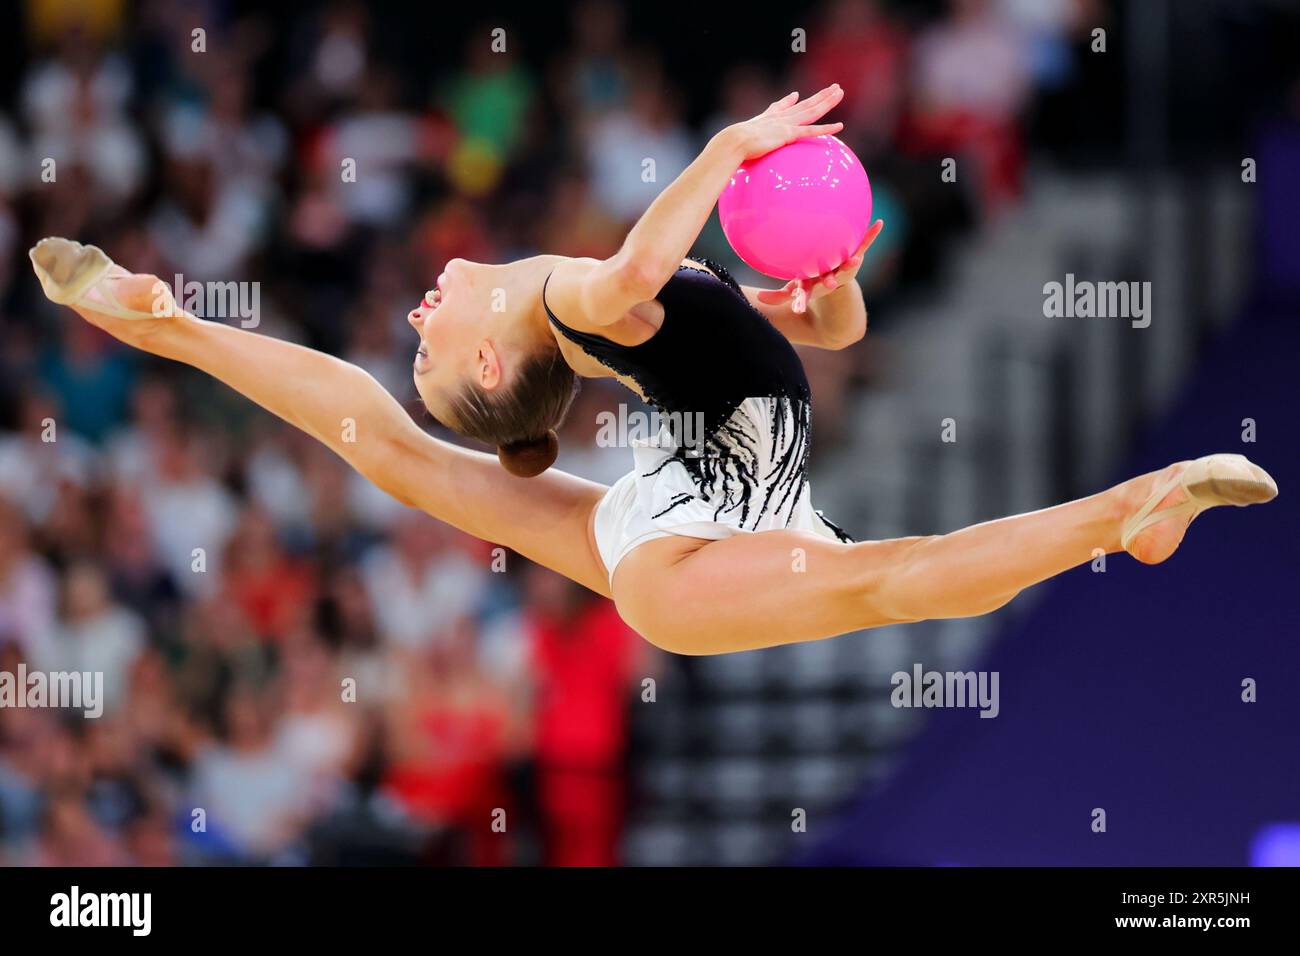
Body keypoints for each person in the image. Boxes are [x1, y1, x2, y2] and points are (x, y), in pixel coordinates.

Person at [29, 85, 1277, 657]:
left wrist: (827, 287)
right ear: (487, 352)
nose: (418, 307)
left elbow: (831, 341)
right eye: (427, 337)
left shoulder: (576, 299)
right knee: (890, 583)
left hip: (682, 504)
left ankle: (169, 329)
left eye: (410, 331)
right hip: (688, 550)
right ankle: (1129, 507)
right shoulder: (573, 299)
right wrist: (729, 146)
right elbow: (633, 278)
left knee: (398, 457)